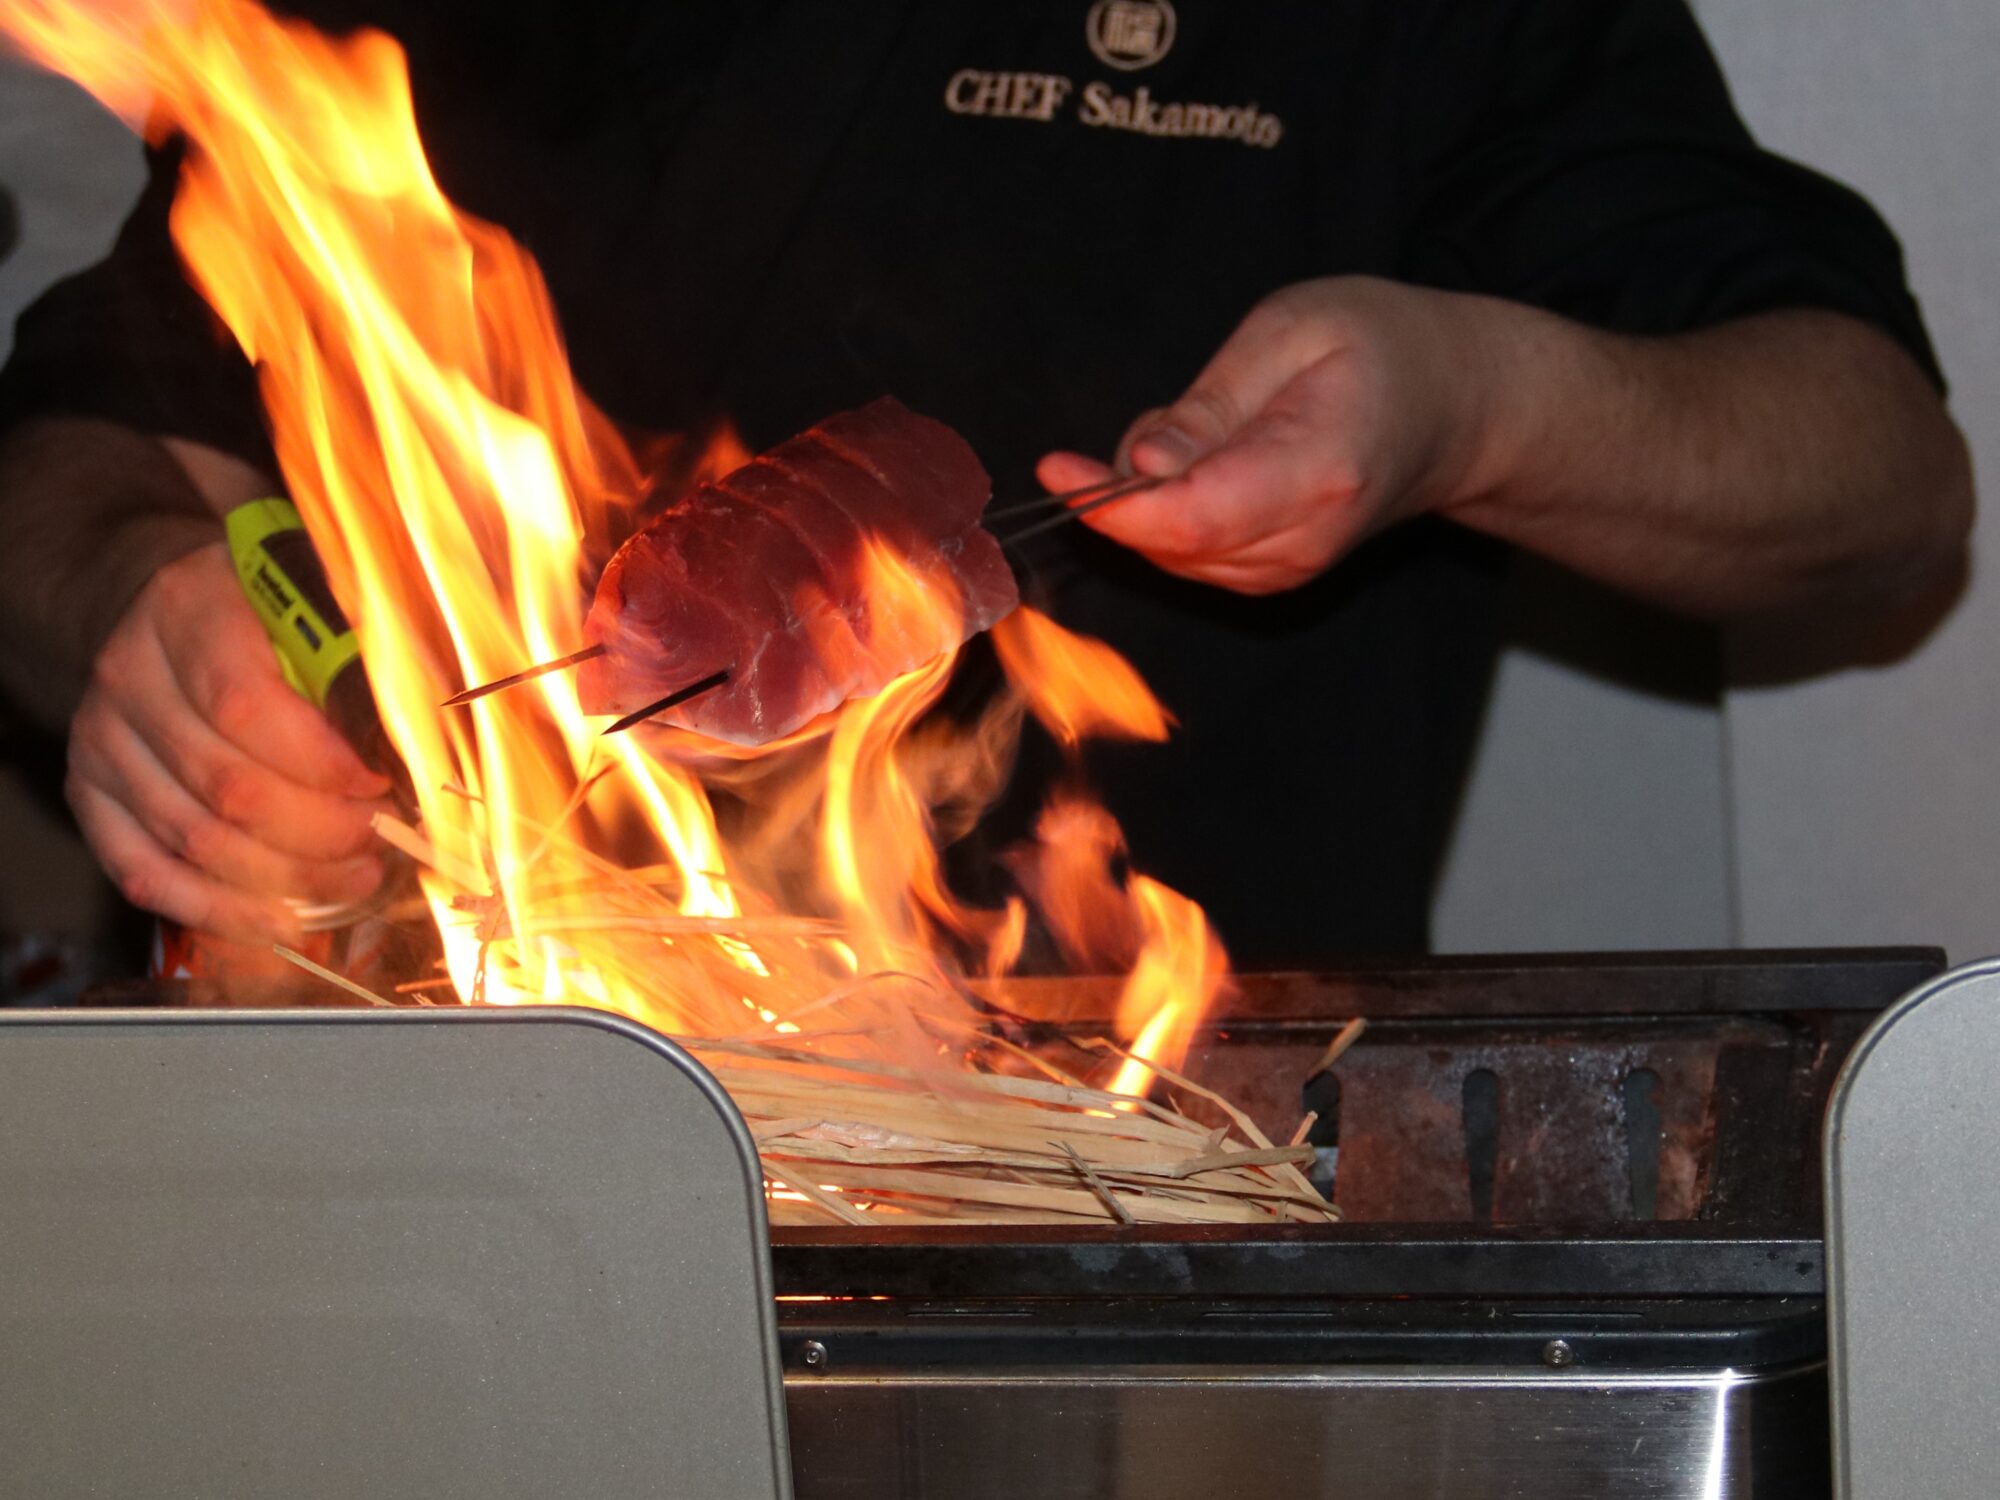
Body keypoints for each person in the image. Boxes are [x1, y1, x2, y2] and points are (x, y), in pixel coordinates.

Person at [0, 0, 1973, 966]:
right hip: (468, 1143)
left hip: (1143, 1179)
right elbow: (99, 427)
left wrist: (1474, 406)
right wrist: (146, 606)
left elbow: (1879, 477)